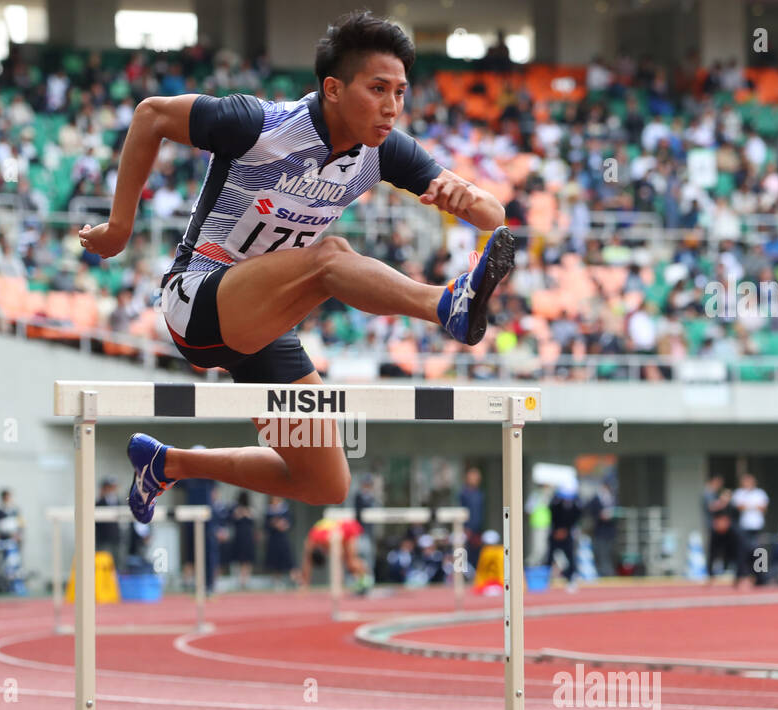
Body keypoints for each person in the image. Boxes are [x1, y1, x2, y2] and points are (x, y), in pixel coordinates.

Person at [81, 11, 515, 522]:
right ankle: (447, 304)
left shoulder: (382, 153)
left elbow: (495, 217)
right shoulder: (257, 124)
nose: (392, 107)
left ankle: (167, 463)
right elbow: (151, 114)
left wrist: (465, 197)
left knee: (325, 482)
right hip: (197, 301)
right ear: (333, 88)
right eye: (378, 89)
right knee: (331, 257)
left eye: (400, 92)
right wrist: (119, 228)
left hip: (263, 325)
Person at [300, 515, 367, 591]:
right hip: (338, 528)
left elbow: (338, 561)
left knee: (351, 562)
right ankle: (362, 578)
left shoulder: (317, 541)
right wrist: (304, 584)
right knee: (349, 562)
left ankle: (366, 577)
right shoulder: (311, 541)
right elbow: (307, 562)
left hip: (346, 527)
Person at [731, 473, 769, 585]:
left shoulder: (760, 493)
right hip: (744, 528)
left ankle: (761, 577)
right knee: (743, 552)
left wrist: (748, 506)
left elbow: (763, 508)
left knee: (760, 552)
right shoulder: (739, 493)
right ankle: (741, 576)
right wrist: (754, 506)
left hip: (757, 527)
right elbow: (739, 507)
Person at [547, 484, 582, 591]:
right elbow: (552, 512)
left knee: (570, 556)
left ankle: (570, 578)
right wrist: (558, 530)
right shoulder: (556, 503)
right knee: (549, 556)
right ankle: (547, 578)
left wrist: (565, 530)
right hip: (555, 532)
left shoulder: (575, 505)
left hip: (568, 534)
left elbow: (577, 516)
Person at [263, 495, 296, 586]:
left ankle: (295, 580)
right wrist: (274, 524)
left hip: (283, 538)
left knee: (288, 559)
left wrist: (285, 525)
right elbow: (265, 526)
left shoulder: (285, 509)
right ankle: (277, 580)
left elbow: (291, 522)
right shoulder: (269, 511)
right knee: (275, 561)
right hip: (273, 539)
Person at [230, 491, 256, 589]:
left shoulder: (251, 510)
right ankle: (240, 580)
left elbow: (253, 521)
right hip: (239, 536)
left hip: (247, 537)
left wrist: (247, 513)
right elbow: (232, 520)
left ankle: (246, 580)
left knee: (247, 559)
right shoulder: (236, 510)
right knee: (239, 558)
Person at [95, 476, 122, 566]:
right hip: (103, 540)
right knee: (104, 563)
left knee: (117, 563)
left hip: (117, 539)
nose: (111, 490)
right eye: (109, 487)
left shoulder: (120, 502)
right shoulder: (99, 503)